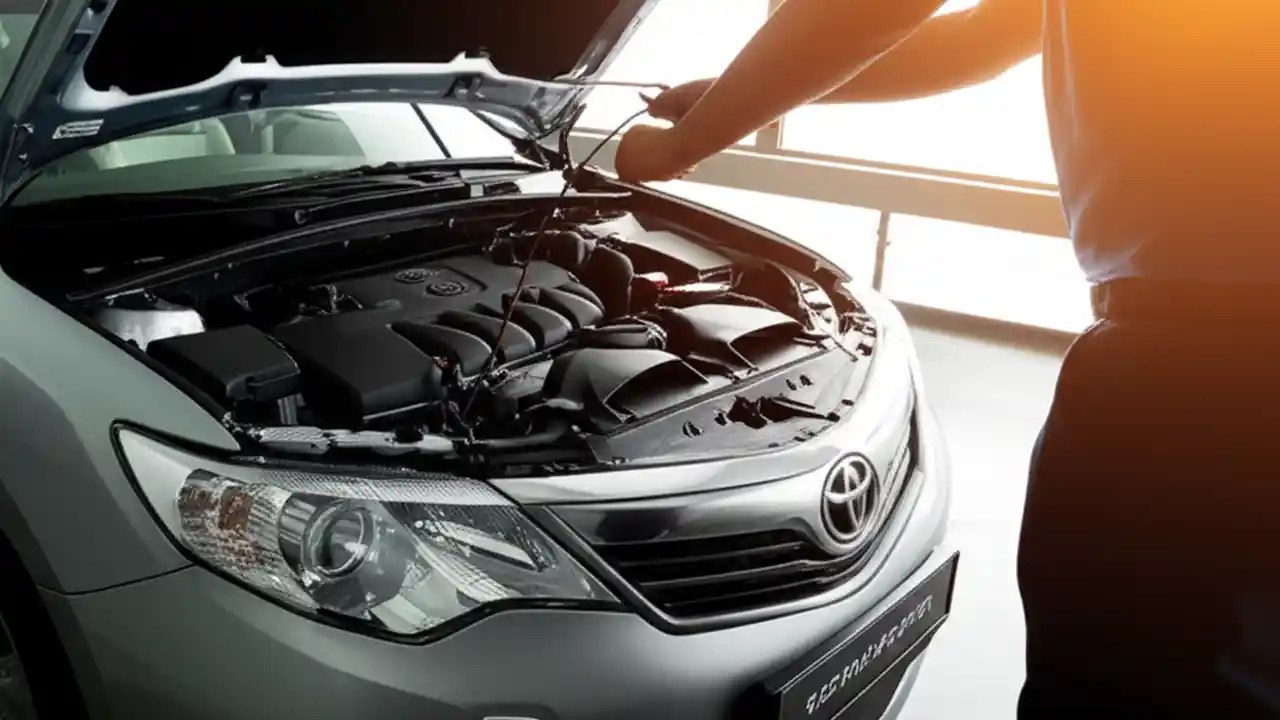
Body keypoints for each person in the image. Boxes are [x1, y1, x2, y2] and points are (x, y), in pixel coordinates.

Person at [616, 0, 1280, 717]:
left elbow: (869, 13)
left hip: (1197, 368)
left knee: (1118, 686)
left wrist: (682, 146)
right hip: (1209, 344)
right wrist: (719, 100)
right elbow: (980, 38)